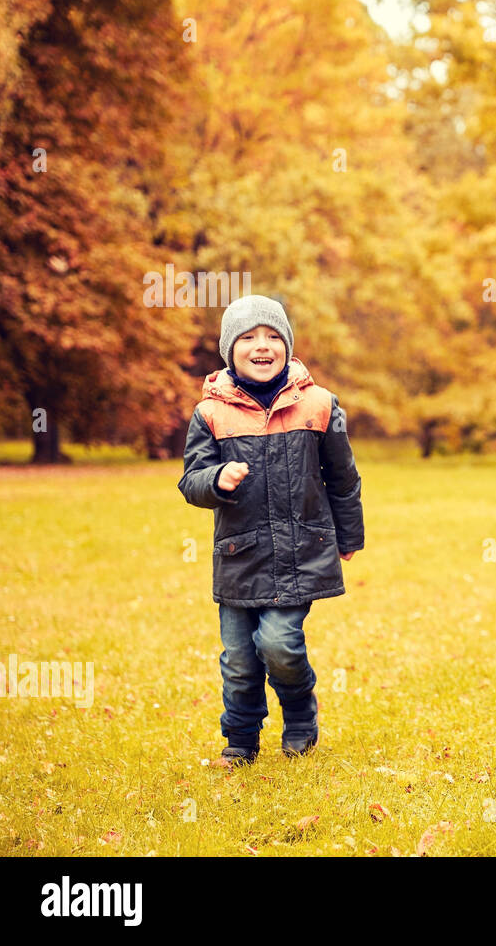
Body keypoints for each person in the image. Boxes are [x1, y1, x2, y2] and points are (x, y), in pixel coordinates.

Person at [178, 295, 364, 765]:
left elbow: (341, 477)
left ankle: (300, 713)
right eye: (248, 338)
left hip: (302, 552)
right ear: (229, 349)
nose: (262, 346)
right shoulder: (210, 414)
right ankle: (240, 741)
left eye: (273, 337)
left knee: (279, 644)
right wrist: (215, 480)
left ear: (288, 346)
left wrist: (350, 536)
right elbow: (191, 480)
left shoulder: (320, 405)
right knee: (239, 662)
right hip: (240, 555)